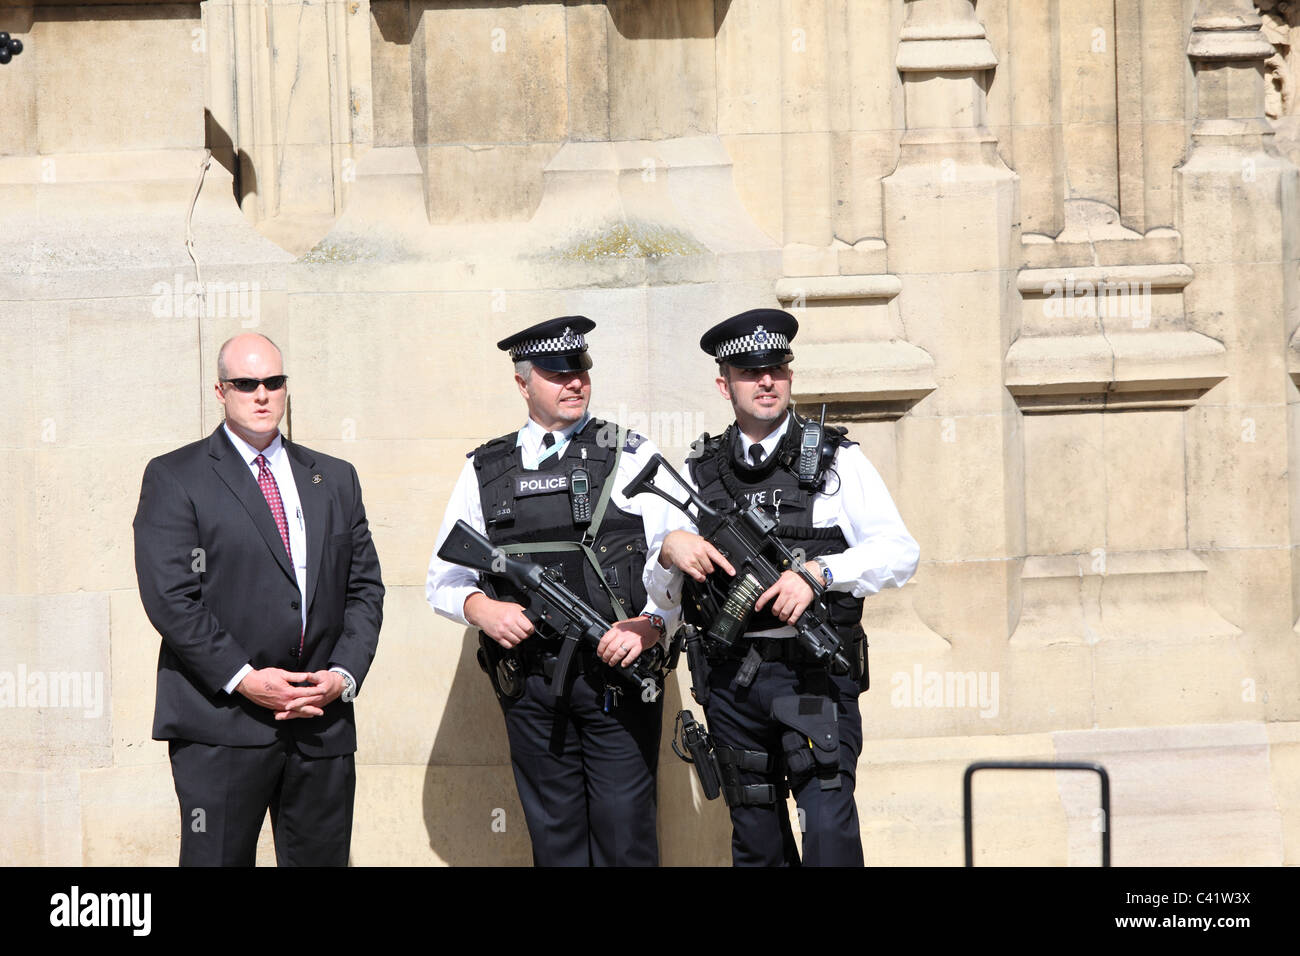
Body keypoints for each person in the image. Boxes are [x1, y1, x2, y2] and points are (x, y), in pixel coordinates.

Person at [647, 308, 919, 866]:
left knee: (828, 832)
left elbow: (899, 553)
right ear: (724, 384)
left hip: (813, 672)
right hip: (732, 678)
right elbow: (665, 596)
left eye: (777, 369)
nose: (766, 381)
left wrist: (819, 574)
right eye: (750, 372)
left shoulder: (838, 458)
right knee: (757, 838)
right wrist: (668, 551)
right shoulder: (697, 470)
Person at [426, 316, 677, 866]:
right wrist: (482, 608)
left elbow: (675, 559)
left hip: (617, 680)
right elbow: (442, 580)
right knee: (554, 842)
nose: (574, 382)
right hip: (531, 687)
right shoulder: (485, 468)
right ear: (522, 383)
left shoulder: (630, 453)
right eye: (556, 373)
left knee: (625, 838)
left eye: (581, 370)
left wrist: (653, 624)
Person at [133, 332, 384, 866]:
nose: (262, 394)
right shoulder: (176, 476)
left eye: (274, 381)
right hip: (221, 723)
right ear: (221, 391)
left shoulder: (335, 478)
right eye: (247, 384)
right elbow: (172, 598)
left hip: (320, 720)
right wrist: (246, 678)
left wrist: (342, 675)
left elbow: (364, 588)